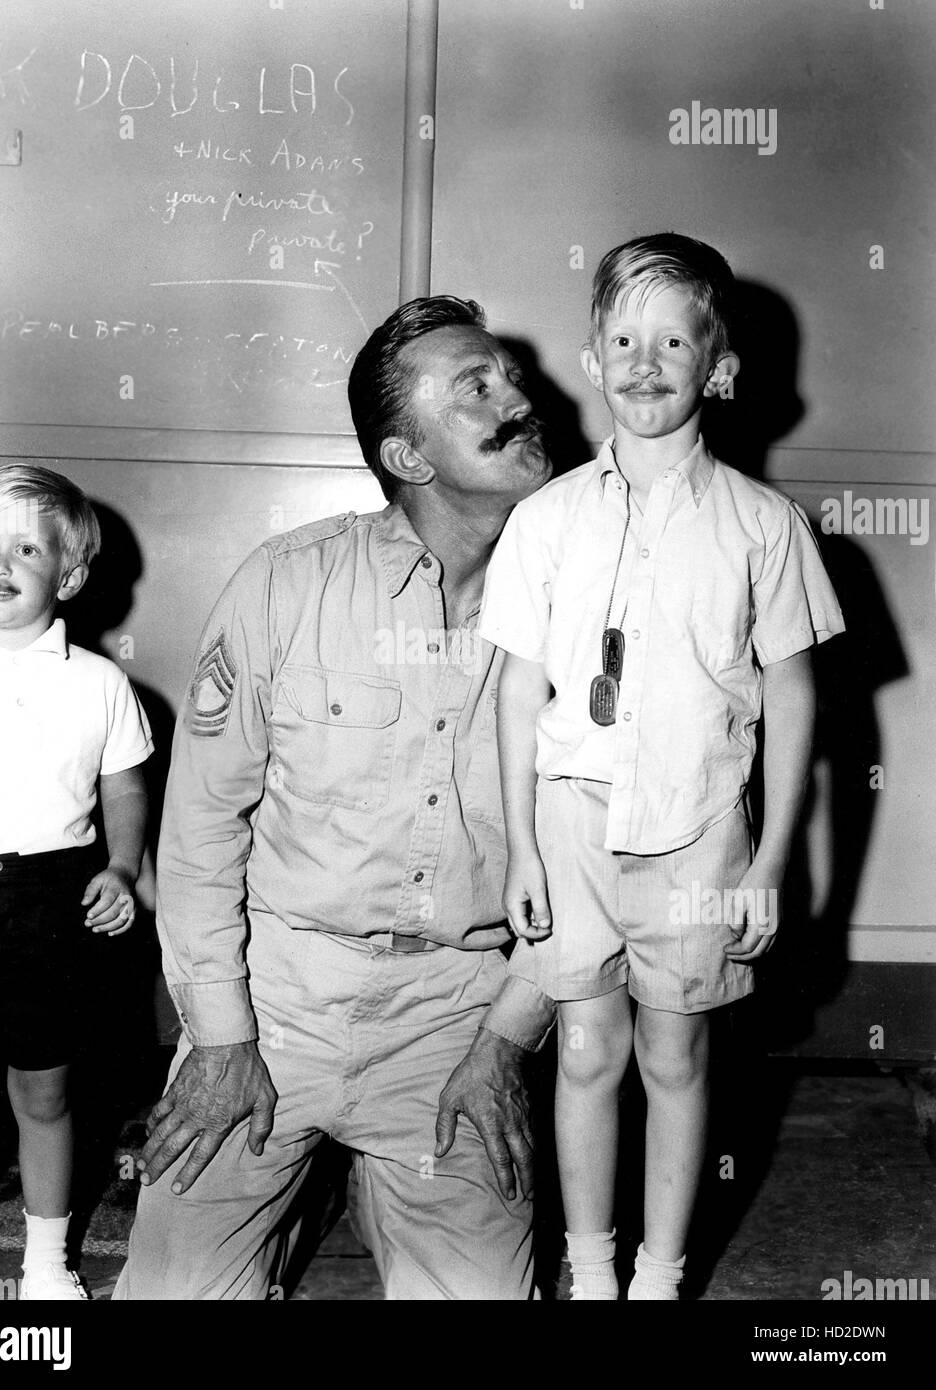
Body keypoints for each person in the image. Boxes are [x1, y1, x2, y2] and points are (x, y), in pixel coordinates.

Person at [115, 296, 557, 1301]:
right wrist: (222, 1037)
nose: (519, 399)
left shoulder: (588, 600)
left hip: (458, 1011)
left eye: (510, 376)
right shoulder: (286, 584)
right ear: (407, 459)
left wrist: (507, 1041)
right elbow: (194, 838)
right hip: (278, 999)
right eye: (476, 388)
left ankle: (386, 1185)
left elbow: (601, 851)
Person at [481, 233, 845, 1300]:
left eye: (674, 339)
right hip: (570, 826)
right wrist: (519, 850)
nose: (646, 361)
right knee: (584, 1051)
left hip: (696, 834)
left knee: (674, 1058)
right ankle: (589, 1272)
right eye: (624, 338)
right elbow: (514, 694)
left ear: (717, 367)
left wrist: (768, 860)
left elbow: (790, 696)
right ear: (591, 356)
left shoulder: (762, 528)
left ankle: (658, 1276)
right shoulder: (542, 521)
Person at [0, 465, 152, 1301]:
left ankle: (46, 1262)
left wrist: (121, 868)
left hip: (48, 906)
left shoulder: (99, 681)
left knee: (43, 1096)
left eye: (25, 547)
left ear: (71, 575)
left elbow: (124, 787)